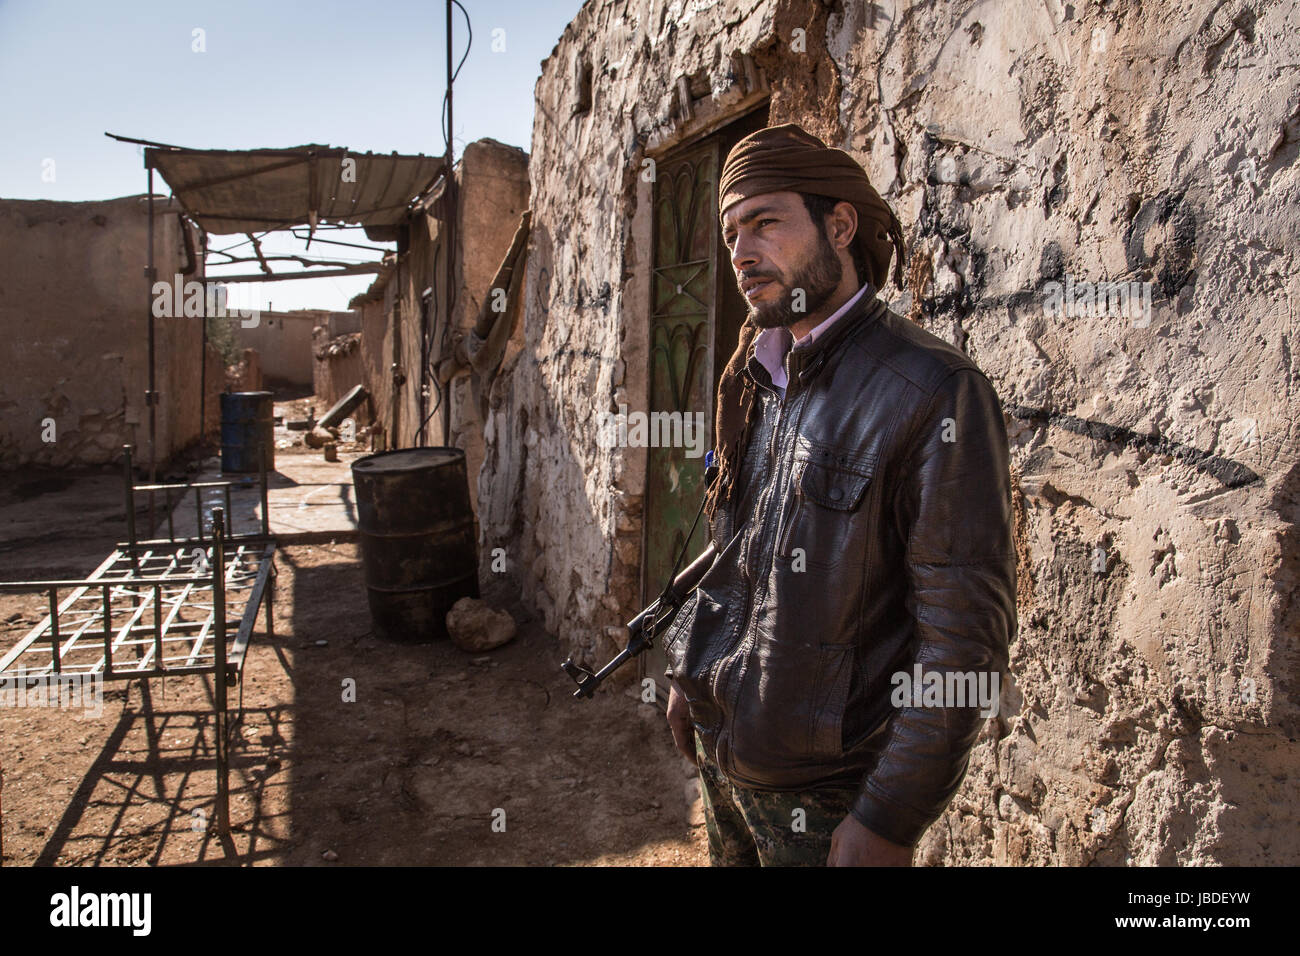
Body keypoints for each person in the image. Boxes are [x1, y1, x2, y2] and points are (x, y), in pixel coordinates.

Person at [661, 123, 1017, 866]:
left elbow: (964, 642)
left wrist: (889, 817)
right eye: (731, 233)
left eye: (766, 223)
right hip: (725, 760)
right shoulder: (755, 377)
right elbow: (730, 552)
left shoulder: (931, 392)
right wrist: (690, 671)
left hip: (826, 798)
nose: (742, 252)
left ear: (841, 225)